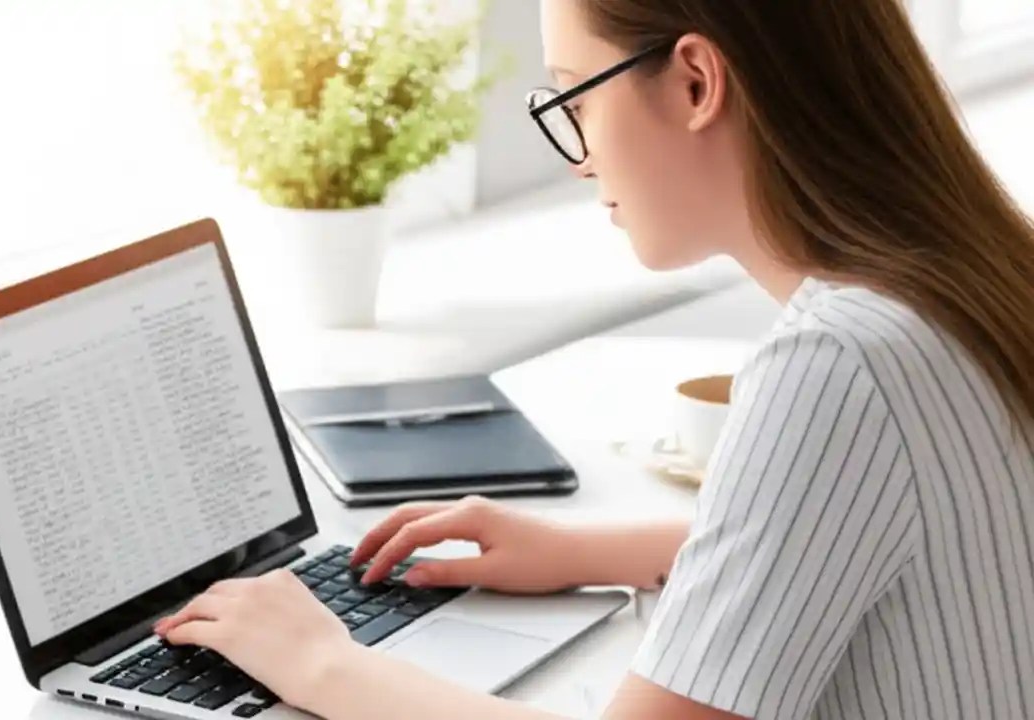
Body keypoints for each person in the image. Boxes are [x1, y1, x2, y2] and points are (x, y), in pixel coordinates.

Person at [154, 1, 1034, 717]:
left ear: (696, 81)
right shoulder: (976, 277)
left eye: (576, 100)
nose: (578, 157)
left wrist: (318, 663)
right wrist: (592, 551)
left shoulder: (837, 365)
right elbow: (897, 539)